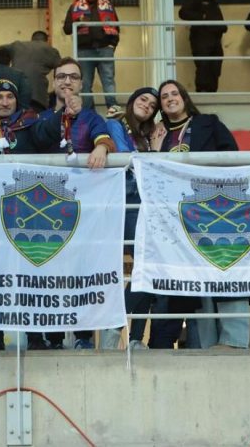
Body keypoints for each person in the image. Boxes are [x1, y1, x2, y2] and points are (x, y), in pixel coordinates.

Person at [0, 77, 74, 351]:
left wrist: (63, 110)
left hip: (27, 211)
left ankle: (36, 337)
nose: (4, 102)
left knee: (31, 273)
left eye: (9, 97)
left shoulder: (30, 122)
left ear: (17, 100)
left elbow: (48, 132)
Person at [149, 80, 241, 349]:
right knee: (190, 281)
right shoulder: (159, 134)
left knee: (224, 270)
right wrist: (154, 151)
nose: (169, 99)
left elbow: (231, 155)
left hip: (214, 211)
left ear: (184, 97)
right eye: (164, 97)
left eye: (174, 93)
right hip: (177, 219)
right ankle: (203, 344)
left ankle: (232, 341)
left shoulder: (208, 123)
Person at [40, 57, 115, 349]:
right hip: (45, 211)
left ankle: (83, 337)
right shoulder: (43, 117)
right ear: (54, 82)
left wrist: (100, 146)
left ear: (82, 84)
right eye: (61, 76)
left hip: (83, 211)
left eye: (73, 77)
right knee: (49, 273)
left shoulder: (92, 118)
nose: (67, 81)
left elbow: (107, 138)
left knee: (82, 273)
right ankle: (54, 339)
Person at [99, 87, 160, 350]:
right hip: (126, 201)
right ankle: (115, 330)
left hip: (146, 203)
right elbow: (125, 156)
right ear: (132, 100)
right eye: (143, 99)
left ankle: (134, 338)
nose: (147, 105)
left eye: (152, 105)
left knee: (145, 267)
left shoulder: (148, 135)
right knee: (146, 266)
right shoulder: (116, 124)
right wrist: (154, 152)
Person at [63, 0, 120, 110]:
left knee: (108, 80)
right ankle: (89, 111)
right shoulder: (74, 7)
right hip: (84, 50)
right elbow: (66, 29)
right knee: (85, 83)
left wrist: (112, 45)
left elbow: (116, 26)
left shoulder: (109, 6)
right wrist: (78, 20)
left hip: (105, 48)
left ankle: (113, 107)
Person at [179, 0, 228, 93]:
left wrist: (222, 27)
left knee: (215, 67)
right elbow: (183, 13)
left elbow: (217, 20)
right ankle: (202, 91)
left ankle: (212, 92)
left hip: (215, 39)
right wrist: (203, 16)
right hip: (201, 39)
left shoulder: (214, 3)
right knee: (203, 66)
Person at [0, 31, 61, 111]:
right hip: (37, 97)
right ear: (47, 40)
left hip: (15, 93)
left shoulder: (17, 45)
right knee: (36, 121)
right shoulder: (51, 50)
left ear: (32, 39)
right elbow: (61, 70)